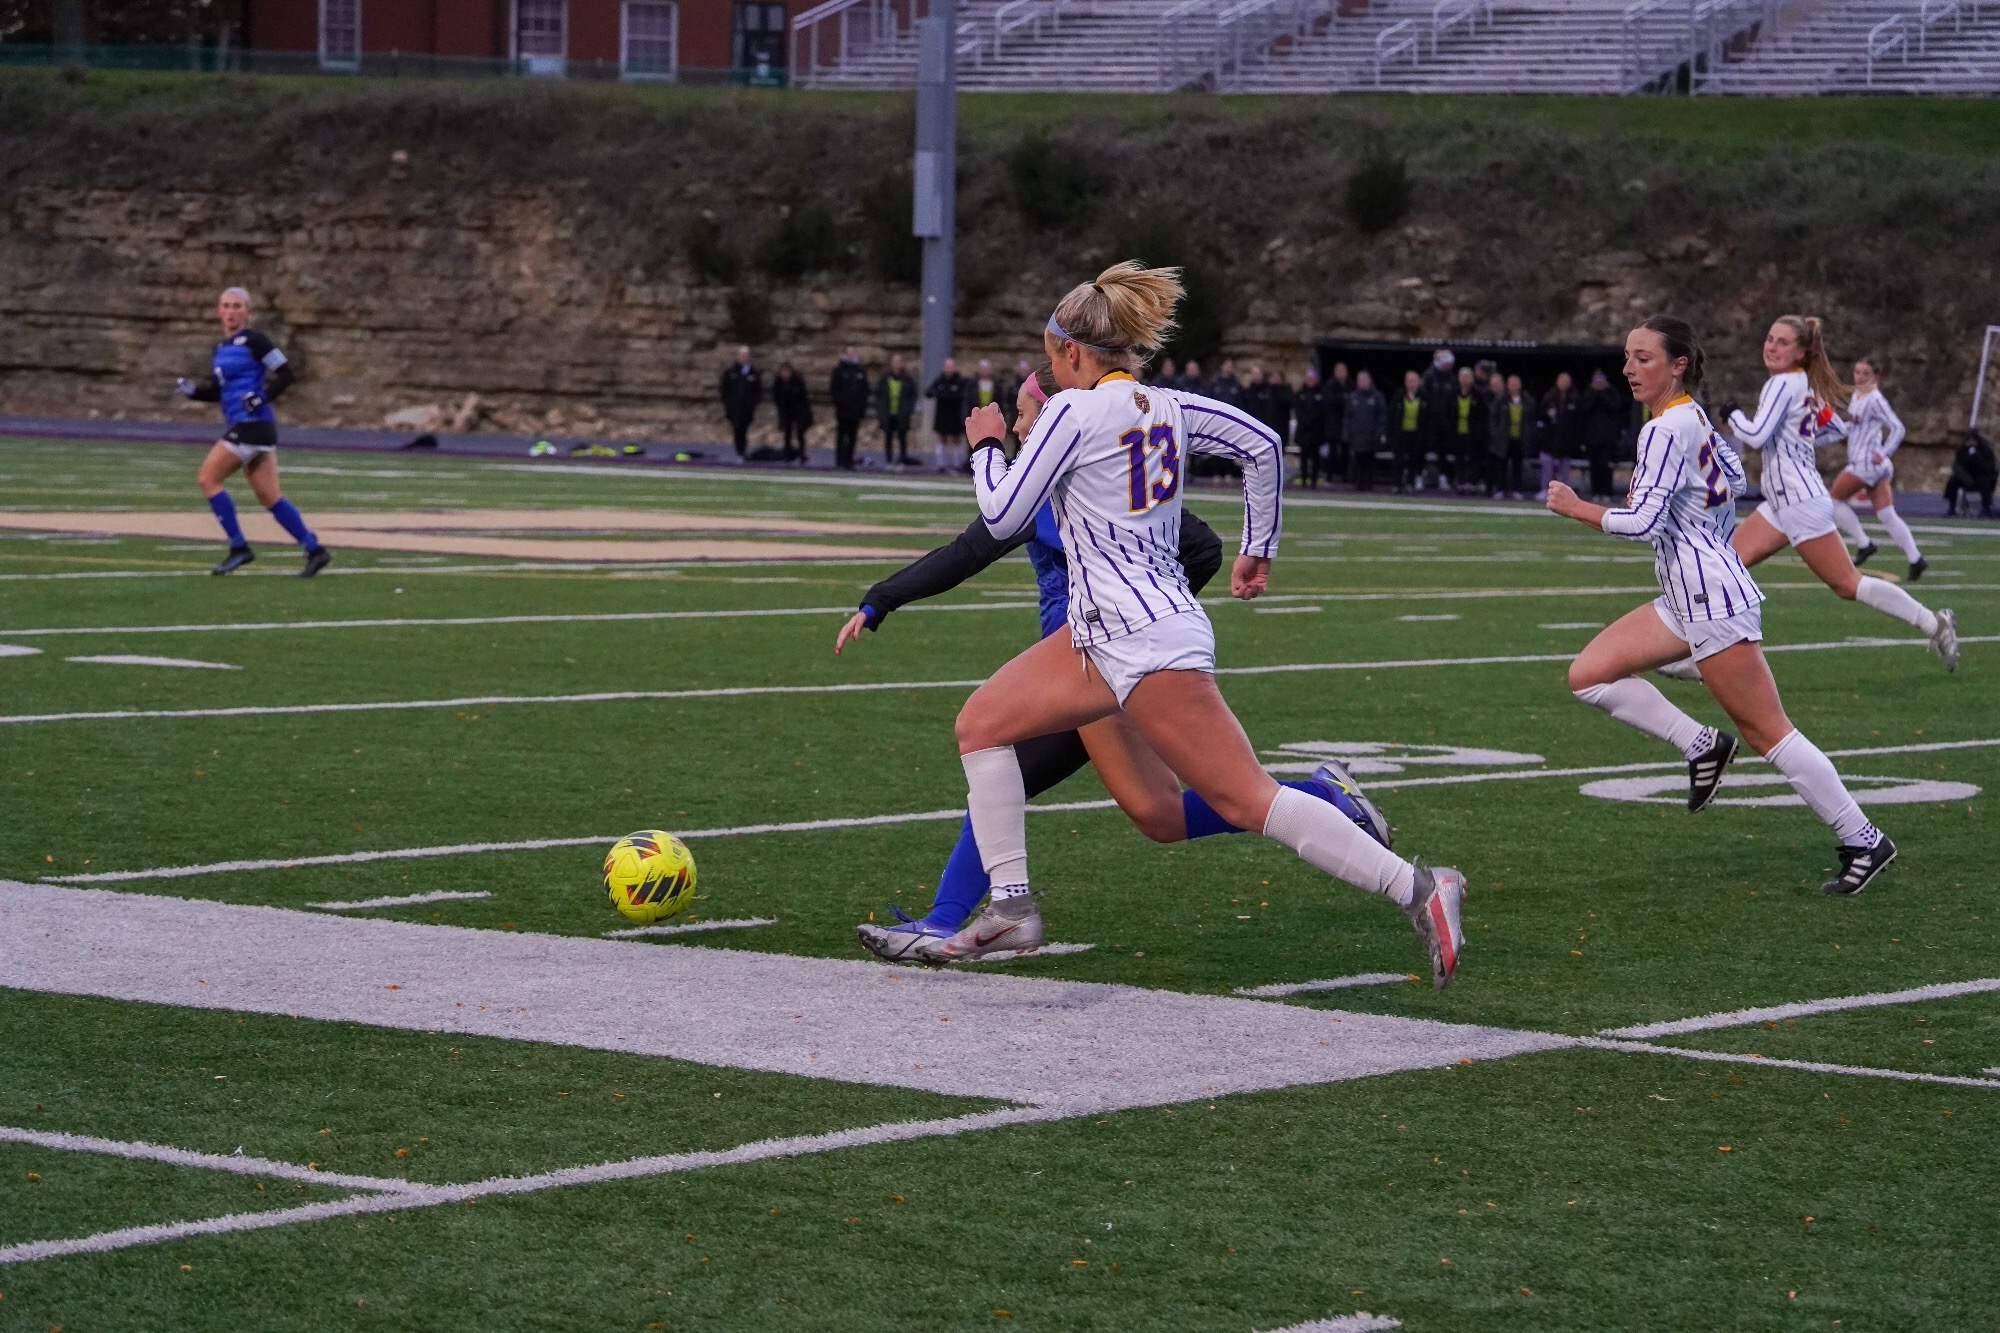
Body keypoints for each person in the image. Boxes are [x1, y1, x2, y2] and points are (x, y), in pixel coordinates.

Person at [946, 261, 1467, 987]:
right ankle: (1011, 905)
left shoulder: (1071, 411)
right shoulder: (1167, 405)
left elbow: (1002, 515)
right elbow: (1262, 445)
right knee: (981, 724)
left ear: (1071, 353)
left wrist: (986, 449)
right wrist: (1260, 547)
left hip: (1137, 634)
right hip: (1111, 630)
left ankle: (1419, 887)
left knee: (1245, 797)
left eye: (1053, 357)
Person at [840, 362, 1388, 963]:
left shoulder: (1097, 490)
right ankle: (1324, 796)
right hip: (1072, 670)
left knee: (1005, 764)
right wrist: (881, 600)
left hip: (1101, 666)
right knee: (1156, 815)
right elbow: (969, 549)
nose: (1021, 427)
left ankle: (950, 921)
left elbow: (1200, 545)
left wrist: (1139, 624)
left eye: (1026, 414)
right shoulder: (1049, 484)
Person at [1547, 315, 1897, 896]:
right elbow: (1731, 476)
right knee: (1589, 675)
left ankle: (1863, 838)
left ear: (1677, 364)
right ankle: (1701, 744)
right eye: (1627, 357)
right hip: (1690, 594)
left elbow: (1641, 523)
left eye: (1643, 358)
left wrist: (1575, 506)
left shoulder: (1665, 429)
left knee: (1770, 734)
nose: (1629, 368)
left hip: (1711, 600)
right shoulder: (1690, 417)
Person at [1723, 316, 1955, 670]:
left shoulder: (1783, 384)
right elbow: (1834, 427)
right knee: (1725, 566)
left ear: (1801, 352)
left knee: (1848, 585)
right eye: (1769, 339)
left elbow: (1754, 436)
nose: (1771, 346)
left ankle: (1933, 623)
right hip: (1782, 502)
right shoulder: (1803, 384)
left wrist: (1733, 415)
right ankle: (1704, 654)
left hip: (1799, 502)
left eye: (1782, 342)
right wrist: (1798, 439)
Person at [174, 286, 329, 577]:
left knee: (208, 479)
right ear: (218, 311)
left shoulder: (255, 341)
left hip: (253, 425)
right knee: (270, 497)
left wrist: (261, 397)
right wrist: (193, 391)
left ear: (247, 312)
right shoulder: (220, 349)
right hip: (251, 428)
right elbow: (219, 392)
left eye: (237, 306)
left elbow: (286, 373)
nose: (231, 312)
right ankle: (314, 550)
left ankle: (239, 547)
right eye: (226, 306)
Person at [1827, 357, 1922, 578]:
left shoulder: (1875, 399)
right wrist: (1834, 429)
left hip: (1866, 463)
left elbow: (1898, 427)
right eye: (1857, 372)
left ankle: (1864, 543)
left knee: (1832, 501)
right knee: (1887, 514)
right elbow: (1857, 427)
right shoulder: (1857, 396)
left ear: (1875, 377)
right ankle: (1916, 559)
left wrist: (1884, 452)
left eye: (1865, 373)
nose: (1859, 377)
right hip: (1869, 464)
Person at [1581, 368, 1625, 501]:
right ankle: (1595, 492)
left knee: (1605, 466)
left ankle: (1606, 492)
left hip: (1607, 439)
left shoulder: (1611, 393)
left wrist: (1604, 393)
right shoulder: (1589, 393)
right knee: (1594, 466)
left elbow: (1615, 408)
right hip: (1592, 439)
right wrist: (1595, 393)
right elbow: (1585, 410)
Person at [1486, 373, 1531, 500]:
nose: (1514, 386)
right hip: (1504, 439)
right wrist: (1496, 433)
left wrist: (1528, 434)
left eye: (1516, 383)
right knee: (1502, 466)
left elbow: (1531, 419)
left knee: (1517, 466)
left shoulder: (1526, 400)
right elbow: (1493, 418)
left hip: (1519, 439)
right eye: (1511, 383)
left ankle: (1517, 490)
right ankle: (1500, 489)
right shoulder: (1500, 400)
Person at [1343, 368, 1388, 490]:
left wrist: (1379, 433)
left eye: (1364, 379)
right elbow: (1347, 417)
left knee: (1369, 461)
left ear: (1369, 380)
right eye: (1359, 379)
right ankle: (1358, 484)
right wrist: (1347, 433)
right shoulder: (1353, 397)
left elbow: (1382, 417)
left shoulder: (1377, 397)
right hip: (1357, 436)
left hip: (1371, 436)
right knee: (1357, 461)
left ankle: (1369, 484)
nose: (1361, 382)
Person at [1538, 371, 1579, 499]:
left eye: (1567, 381)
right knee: (1547, 467)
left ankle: (1564, 495)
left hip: (1566, 442)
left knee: (1564, 471)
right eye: (1562, 381)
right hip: (1549, 441)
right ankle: (1545, 490)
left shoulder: (1574, 398)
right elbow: (1541, 416)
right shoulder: (1549, 397)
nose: (1564, 384)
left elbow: (1576, 421)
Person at [828, 347, 871, 471]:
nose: (851, 355)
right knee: (841, 435)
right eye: (849, 353)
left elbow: (864, 390)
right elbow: (834, 389)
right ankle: (840, 459)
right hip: (843, 410)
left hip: (855, 411)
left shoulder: (860, 371)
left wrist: (861, 407)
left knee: (852, 436)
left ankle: (849, 459)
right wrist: (840, 403)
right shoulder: (839, 370)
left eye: (853, 353)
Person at [925, 356, 969, 472]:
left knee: (956, 438)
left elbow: (962, 394)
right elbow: (928, 392)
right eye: (947, 366)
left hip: (955, 414)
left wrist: (948, 395)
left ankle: (957, 464)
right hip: (942, 415)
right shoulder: (940, 380)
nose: (949, 369)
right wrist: (941, 394)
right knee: (942, 438)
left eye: (951, 366)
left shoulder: (959, 381)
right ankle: (941, 464)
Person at [719, 345, 762, 459]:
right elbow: (724, 390)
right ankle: (739, 451)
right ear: (738, 356)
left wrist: (752, 404)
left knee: (744, 429)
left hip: (747, 409)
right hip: (734, 408)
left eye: (746, 355)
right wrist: (728, 404)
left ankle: (743, 451)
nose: (744, 357)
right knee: (737, 429)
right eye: (742, 355)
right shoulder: (730, 372)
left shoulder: (753, 373)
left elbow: (758, 391)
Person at [874, 352, 917, 466]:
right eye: (895, 362)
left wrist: (909, 409)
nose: (897, 364)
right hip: (888, 412)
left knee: (902, 437)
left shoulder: (907, 379)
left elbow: (913, 395)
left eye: (899, 361)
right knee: (888, 437)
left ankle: (902, 459)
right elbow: (879, 395)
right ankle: (889, 460)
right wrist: (881, 410)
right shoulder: (885, 378)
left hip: (902, 413)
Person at [1450, 366, 1488, 492]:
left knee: (1473, 459)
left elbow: (1482, 416)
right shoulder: (1453, 394)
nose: (1465, 380)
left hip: (1473, 434)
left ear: (1472, 379)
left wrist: (1479, 433)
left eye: (1467, 377)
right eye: (1463, 377)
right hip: (1458, 433)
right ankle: (1460, 481)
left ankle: (1472, 482)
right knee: (1459, 459)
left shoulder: (1478, 395)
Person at [1292, 366, 1331, 488]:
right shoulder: (1300, 393)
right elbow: (1297, 410)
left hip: (1316, 431)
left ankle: (1314, 480)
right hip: (1303, 430)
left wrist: (1313, 420)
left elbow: (1323, 411)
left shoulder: (1321, 393)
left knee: (1315, 457)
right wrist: (1305, 420)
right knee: (1304, 457)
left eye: (1313, 378)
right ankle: (1303, 479)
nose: (1310, 380)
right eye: (1309, 378)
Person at [1945, 428, 1996, 517]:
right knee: (1952, 481)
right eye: (1969, 440)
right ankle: (1952, 508)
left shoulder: (1985, 449)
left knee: (1985, 482)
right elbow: (1957, 466)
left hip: (1981, 476)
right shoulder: (1962, 450)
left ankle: (1986, 508)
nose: (1971, 443)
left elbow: (1990, 467)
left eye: (1973, 440)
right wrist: (1966, 478)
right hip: (1966, 478)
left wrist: (1976, 457)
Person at [771, 362, 812, 465]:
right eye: (783, 372)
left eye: (786, 372)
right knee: (787, 433)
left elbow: (803, 397)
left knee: (799, 432)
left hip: (799, 410)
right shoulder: (778, 382)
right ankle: (787, 454)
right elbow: (776, 396)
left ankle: (802, 453)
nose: (784, 374)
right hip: (786, 411)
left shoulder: (797, 381)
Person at [1393, 369, 1425, 492]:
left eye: (1413, 381)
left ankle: (1411, 483)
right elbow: (1392, 416)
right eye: (1409, 381)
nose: (1411, 383)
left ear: (1418, 382)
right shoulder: (1399, 396)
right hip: (1401, 433)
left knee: (1413, 459)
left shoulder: (1424, 397)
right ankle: (1397, 484)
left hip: (1416, 434)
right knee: (1399, 460)